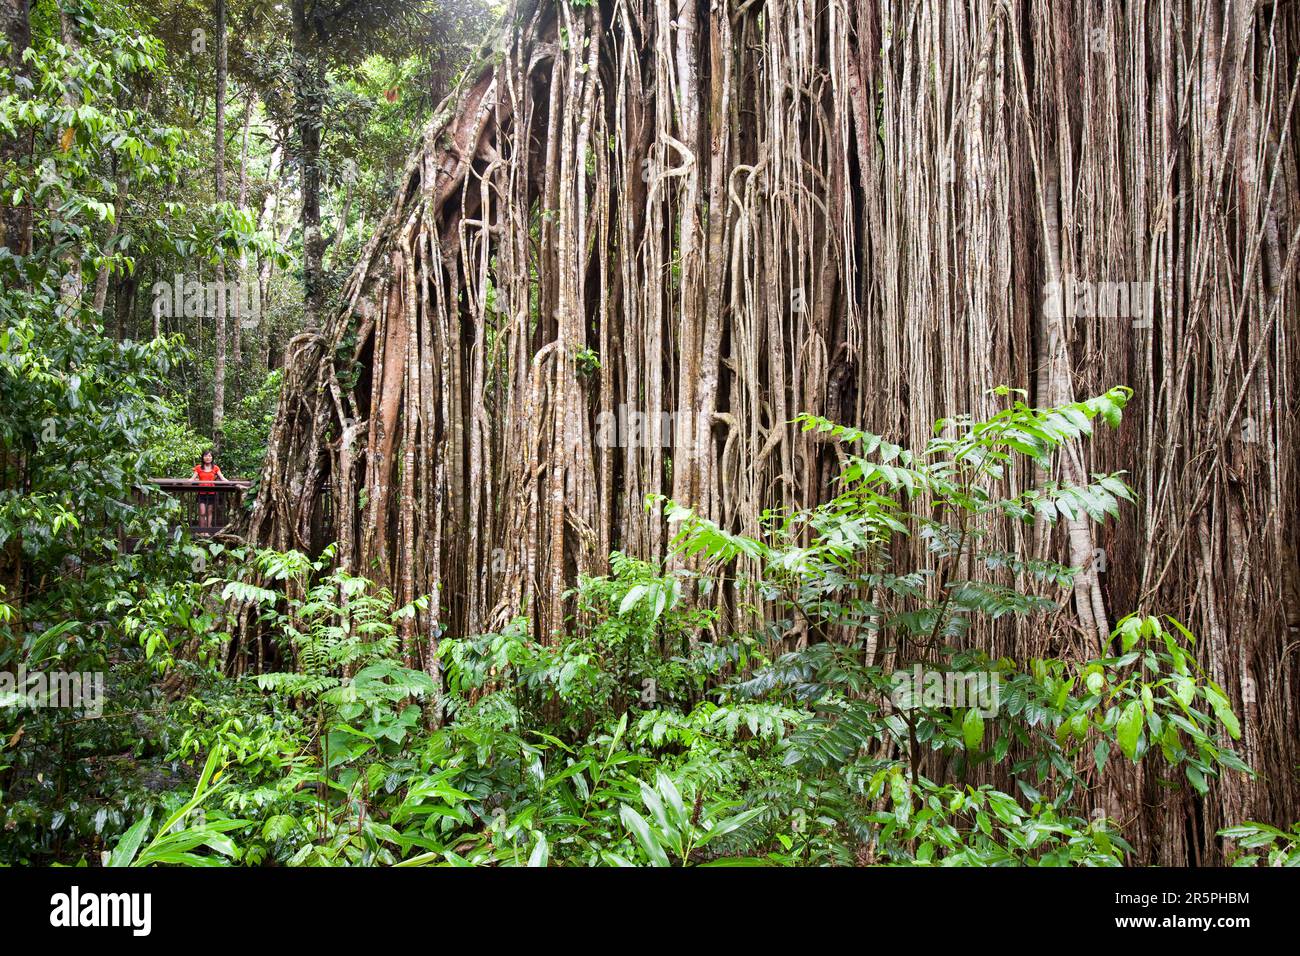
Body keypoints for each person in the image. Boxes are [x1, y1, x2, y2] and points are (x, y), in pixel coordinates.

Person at [192, 451, 226, 528]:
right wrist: (185, 483)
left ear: (212, 458)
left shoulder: (216, 468)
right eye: (206, 456)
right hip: (201, 493)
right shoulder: (198, 468)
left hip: (211, 492)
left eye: (210, 456)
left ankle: (207, 530)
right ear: (203, 458)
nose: (208, 458)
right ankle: (202, 530)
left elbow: (222, 478)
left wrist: (230, 483)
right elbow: (192, 479)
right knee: (202, 512)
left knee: (209, 512)